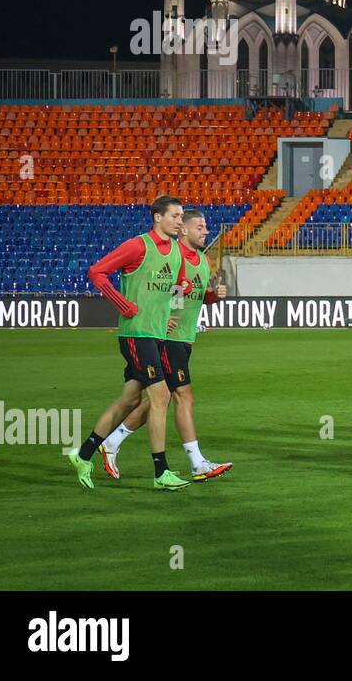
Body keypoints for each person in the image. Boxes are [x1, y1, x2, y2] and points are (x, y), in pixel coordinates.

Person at [68, 195, 192, 491]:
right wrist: (123, 305)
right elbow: (96, 272)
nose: (179, 221)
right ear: (157, 217)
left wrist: (170, 312)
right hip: (136, 335)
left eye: (181, 215)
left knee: (131, 399)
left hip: (156, 335)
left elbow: (180, 284)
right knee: (161, 396)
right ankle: (161, 472)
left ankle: (83, 454)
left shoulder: (176, 251)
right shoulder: (137, 246)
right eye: (175, 215)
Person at [99, 208, 232, 482]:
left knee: (150, 397)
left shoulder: (204, 261)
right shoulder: (175, 257)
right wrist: (167, 315)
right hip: (168, 338)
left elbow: (191, 293)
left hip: (184, 338)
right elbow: (172, 291)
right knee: (182, 395)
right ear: (183, 229)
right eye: (200, 226)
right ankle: (196, 463)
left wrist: (212, 297)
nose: (206, 231)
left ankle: (111, 441)